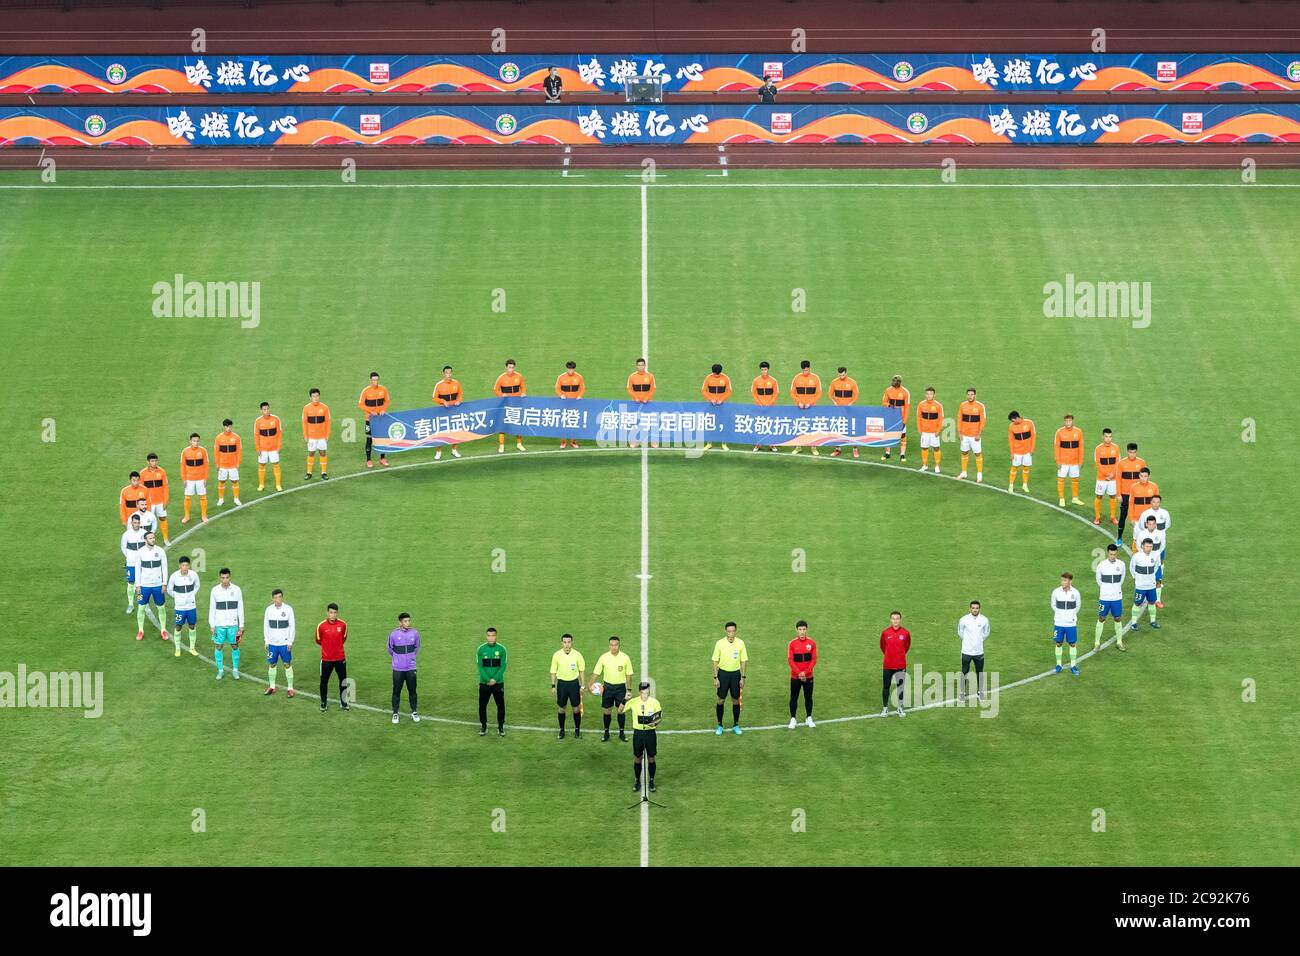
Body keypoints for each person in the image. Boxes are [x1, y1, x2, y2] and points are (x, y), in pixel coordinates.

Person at [592, 635, 634, 741]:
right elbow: (596, 672)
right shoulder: (603, 657)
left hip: (620, 688)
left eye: (616, 645)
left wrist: (628, 690)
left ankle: (621, 733)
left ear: (619, 645)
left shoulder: (625, 657)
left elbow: (629, 675)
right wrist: (589, 685)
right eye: (611, 645)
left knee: (621, 711)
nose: (613, 647)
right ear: (609, 645)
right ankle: (606, 732)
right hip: (607, 687)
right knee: (607, 711)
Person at [711, 621, 748, 735]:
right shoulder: (719, 643)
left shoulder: (740, 643)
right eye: (729, 631)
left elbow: (744, 661)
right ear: (725, 631)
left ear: (735, 631)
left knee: (735, 700)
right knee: (721, 700)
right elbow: (714, 660)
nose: (731, 633)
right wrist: (716, 677)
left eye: (733, 631)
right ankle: (720, 725)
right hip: (723, 675)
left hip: (735, 675)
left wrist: (743, 677)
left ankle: (736, 724)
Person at [209, 567, 244, 680]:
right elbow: (212, 608)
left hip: (233, 624)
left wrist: (241, 625)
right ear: (220, 578)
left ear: (230, 577)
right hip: (219, 624)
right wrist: (212, 625)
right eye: (223, 578)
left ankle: (235, 670)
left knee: (234, 645)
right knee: (219, 646)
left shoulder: (237, 590)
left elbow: (240, 608)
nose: (225, 580)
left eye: (227, 577)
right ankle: (220, 670)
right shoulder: (215, 590)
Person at [627, 682, 662, 793]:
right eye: (643, 693)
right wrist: (624, 700)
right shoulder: (633, 702)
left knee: (651, 758)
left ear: (649, 692)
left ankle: (651, 781)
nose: (645, 695)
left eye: (647, 693)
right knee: (638, 758)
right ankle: (637, 781)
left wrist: (655, 724)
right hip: (638, 734)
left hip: (650, 733)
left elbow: (659, 718)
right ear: (639, 692)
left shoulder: (655, 702)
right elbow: (619, 710)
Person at [549, 633, 586, 738]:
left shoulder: (577, 655)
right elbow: (553, 671)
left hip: (574, 684)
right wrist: (553, 685)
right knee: (561, 708)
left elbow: (582, 670)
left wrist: (582, 685)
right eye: (565, 642)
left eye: (569, 642)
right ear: (562, 643)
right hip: (562, 684)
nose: (567, 644)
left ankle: (577, 729)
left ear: (572, 643)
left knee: (576, 708)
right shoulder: (556, 655)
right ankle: (561, 730)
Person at [1137, 494, 1171, 606]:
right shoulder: (1145, 514)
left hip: (1157, 552)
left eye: (1157, 502)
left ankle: (1157, 600)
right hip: (1145, 555)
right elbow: (1138, 542)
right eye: (1153, 502)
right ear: (1150, 502)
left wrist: (1156, 553)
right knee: (1144, 575)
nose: (1156, 504)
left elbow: (1167, 527)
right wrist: (1145, 554)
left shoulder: (1164, 514)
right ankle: (1144, 596)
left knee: (1158, 575)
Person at [134, 530, 168, 643]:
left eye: (153, 538)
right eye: (150, 538)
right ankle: (140, 630)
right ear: (145, 540)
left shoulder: (161, 551)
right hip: (143, 586)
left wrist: (164, 583)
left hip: (158, 585)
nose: (153, 539)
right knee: (141, 607)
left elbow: (165, 568)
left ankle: (163, 630)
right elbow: (137, 569)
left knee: (161, 607)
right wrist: (137, 585)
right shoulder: (140, 552)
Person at [316, 603, 349, 711]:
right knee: (324, 682)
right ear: (327, 613)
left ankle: (344, 702)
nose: (333, 615)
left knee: (343, 681)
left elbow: (343, 638)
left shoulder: (343, 624)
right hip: (326, 660)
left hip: (340, 658)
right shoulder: (321, 626)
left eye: (335, 613)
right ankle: (323, 702)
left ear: (337, 613)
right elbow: (318, 640)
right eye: (331, 612)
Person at [166, 554, 201, 658]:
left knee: (192, 625)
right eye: (183, 565)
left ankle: (192, 648)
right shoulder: (174, 576)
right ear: (179, 566)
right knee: (178, 626)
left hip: (191, 606)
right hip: (180, 607)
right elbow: (169, 589)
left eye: (186, 565)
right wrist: (177, 597)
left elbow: (197, 585)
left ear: (189, 566)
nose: (185, 567)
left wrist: (191, 595)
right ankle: (177, 649)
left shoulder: (193, 575)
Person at [263, 589, 296, 697]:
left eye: (280, 597)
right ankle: (272, 686)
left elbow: (292, 626)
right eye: (276, 597)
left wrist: (290, 641)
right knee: (272, 664)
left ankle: (290, 688)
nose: (278, 599)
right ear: (272, 599)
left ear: (282, 598)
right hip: (272, 644)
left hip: (284, 643)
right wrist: (266, 641)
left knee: (287, 664)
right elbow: (266, 626)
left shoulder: (288, 609)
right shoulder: (268, 610)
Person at [388, 612, 420, 723]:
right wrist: (398, 659)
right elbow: (390, 649)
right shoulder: (393, 634)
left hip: (411, 668)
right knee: (396, 690)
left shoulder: (415, 633)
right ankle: (395, 713)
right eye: (405, 621)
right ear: (400, 622)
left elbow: (417, 647)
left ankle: (414, 711)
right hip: (398, 668)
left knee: (413, 690)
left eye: (409, 621)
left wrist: (410, 658)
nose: (408, 623)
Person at [1094, 543, 1127, 651]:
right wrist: (1106, 588)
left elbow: (1122, 578)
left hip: (1117, 597)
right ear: (1108, 553)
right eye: (1111, 554)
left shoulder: (1121, 564)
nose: (1113, 556)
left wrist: (1115, 587)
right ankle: (1097, 643)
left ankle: (1119, 642)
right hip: (1104, 597)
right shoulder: (1101, 565)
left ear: (1117, 553)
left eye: (1115, 554)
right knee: (1101, 618)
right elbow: (1098, 579)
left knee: (1117, 618)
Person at [477, 627, 508, 736]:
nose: (491, 638)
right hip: (484, 683)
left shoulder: (502, 649)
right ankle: (483, 726)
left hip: (498, 683)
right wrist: (487, 679)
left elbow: (503, 666)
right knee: (482, 706)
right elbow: (480, 667)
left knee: (500, 706)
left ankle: (501, 727)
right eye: (489, 636)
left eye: (493, 635)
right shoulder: (481, 649)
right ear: (486, 636)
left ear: (496, 636)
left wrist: (495, 679)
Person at [1128, 538, 1163, 633]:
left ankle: (1153, 621)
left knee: (1152, 602)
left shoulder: (1155, 556)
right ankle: (1134, 623)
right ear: (1143, 546)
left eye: (1151, 546)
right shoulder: (1136, 556)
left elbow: (1156, 567)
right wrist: (1136, 578)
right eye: (1147, 546)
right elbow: (1132, 568)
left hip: (1151, 585)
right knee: (1137, 603)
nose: (1149, 548)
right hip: (1140, 586)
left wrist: (1152, 579)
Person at [787, 619, 817, 728]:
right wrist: (799, 673)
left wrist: (805, 672)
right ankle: (793, 719)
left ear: (807, 630)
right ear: (796, 630)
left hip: (808, 676)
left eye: (804, 629)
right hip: (795, 677)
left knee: (808, 697)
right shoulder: (792, 644)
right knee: (794, 697)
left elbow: (814, 659)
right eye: (800, 629)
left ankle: (809, 718)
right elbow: (790, 660)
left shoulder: (812, 643)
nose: (802, 632)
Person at [1115, 442, 1147, 544]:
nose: (1132, 454)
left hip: (1137, 494)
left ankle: (1143, 538)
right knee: (1123, 515)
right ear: (1127, 452)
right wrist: (1118, 494)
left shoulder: (1142, 463)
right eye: (1130, 452)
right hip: (1125, 494)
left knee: (1141, 516)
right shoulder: (1121, 463)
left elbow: (1144, 477)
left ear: (1136, 452)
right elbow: (1118, 479)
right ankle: (1119, 538)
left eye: (1133, 452)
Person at [358, 371, 391, 469]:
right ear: (370, 380)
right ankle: (368, 460)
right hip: (370, 419)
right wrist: (370, 411)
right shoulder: (366, 391)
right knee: (369, 439)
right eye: (373, 380)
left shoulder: (383, 389)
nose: (375, 382)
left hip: (380, 419)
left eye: (376, 380)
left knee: (382, 438)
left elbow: (387, 401)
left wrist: (383, 410)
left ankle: (382, 458)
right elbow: (360, 404)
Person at [880, 611, 910, 717]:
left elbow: (906, 646)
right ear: (890, 620)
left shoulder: (905, 633)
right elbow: (882, 646)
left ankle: (900, 708)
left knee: (900, 687)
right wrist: (889, 655)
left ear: (900, 620)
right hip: (888, 665)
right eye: (893, 618)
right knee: (886, 686)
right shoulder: (885, 633)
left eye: (897, 618)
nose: (895, 620)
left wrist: (899, 655)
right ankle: (885, 709)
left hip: (901, 665)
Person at [956, 603, 988, 701]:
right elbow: (960, 632)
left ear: (979, 609)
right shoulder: (964, 620)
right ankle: (962, 693)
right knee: (964, 671)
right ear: (970, 608)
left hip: (979, 652)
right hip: (966, 651)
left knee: (980, 672)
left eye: (977, 608)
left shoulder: (984, 620)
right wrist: (968, 642)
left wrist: (978, 641)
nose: (975, 610)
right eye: (973, 608)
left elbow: (986, 633)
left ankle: (980, 692)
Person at [493, 360, 527, 453]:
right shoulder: (501, 378)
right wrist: (501, 395)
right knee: (502, 424)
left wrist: (523, 393)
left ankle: (519, 444)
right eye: (509, 367)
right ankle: (501, 445)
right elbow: (495, 390)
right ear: (506, 367)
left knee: (517, 423)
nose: (511, 369)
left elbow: (523, 387)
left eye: (512, 367)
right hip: (506, 404)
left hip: (517, 403)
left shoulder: (519, 376)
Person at [1051, 573, 1081, 676]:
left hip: (1071, 623)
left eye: (1065, 580)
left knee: (1072, 643)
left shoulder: (1076, 593)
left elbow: (1077, 606)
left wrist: (1070, 615)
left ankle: (1073, 666)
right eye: (1062, 580)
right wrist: (1060, 614)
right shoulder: (1056, 592)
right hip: (1059, 623)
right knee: (1058, 643)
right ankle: (1058, 665)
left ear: (1070, 582)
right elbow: (1053, 605)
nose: (1062, 582)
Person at [789, 360, 822, 456]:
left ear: (809, 368)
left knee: (812, 426)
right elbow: (792, 392)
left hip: (812, 407)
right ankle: (798, 446)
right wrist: (798, 402)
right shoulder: (796, 378)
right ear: (802, 369)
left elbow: (819, 393)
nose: (805, 372)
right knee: (799, 426)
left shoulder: (815, 378)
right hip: (799, 407)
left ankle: (813, 447)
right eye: (804, 370)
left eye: (807, 370)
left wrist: (810, 403)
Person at [433, 365, 464, 460]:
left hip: (454, 410)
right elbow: (434, 398)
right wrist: (443, 401)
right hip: (443, 411)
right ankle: (438, 451)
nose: (449, 375)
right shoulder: (439, 385)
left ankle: (454, 450)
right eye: (447, 373)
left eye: (450, 373)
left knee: (455, 430)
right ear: (443, 374)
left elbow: (460, 394)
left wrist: (459, 400)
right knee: (441, 432)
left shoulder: (456, 383)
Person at [1054, 413, 1085, 507]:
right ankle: (1061, 499)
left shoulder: (1078, 432)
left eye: (1069, 421)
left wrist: (1080, 461)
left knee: (1075, 479)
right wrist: (1057, 461)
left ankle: (1075, 498)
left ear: (1072, 421)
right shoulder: (1059, 432)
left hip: (1075, 461)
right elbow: (1056, 447)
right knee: (1061, 479)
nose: (1068, 423)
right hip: (1063, 462)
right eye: (1066, 421)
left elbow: (1081, 447)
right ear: (1064, 421)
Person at [956, 387, 986, 482]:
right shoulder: (962, 405)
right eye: (968, 394)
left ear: (975, 395)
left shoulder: (980, 406)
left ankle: (979, 474)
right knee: (964, 452)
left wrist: (979, 433)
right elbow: (959, 419)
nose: (970, 396)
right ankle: (964, 472)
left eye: (972, 394)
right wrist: (959, 432)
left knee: (977, 454)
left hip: (974, 436)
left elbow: (983, 421)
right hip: (964, 435)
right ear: (966, 395)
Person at [140, 453, 171, 544]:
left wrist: (165, 501)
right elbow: (142, 490)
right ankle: (146, 540)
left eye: (155, 461)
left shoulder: (162, 472)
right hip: (149, 503)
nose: (154, 463)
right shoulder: (142, 473)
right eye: (152, 461)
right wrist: (143, 504)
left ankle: (165, 539)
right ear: (148, 462)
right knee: (147, 522)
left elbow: (165, 487)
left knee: (163, 518)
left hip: (160, 502)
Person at [626, 358, 657, 449]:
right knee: (635, 421)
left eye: (642, 365)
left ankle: (653, 441)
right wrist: (635, 398)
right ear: (636, 366)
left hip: (648, 403)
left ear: (645, 365)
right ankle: (633, 441)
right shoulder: (632, 376)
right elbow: (629, 388)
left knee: (651, 421)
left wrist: (646, 398)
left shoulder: (650, 376)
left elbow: (653, 388)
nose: (641, 367)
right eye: (639, 365)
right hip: (635, 403)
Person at [828, 367, 859, 458]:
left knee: (851, 429)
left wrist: (851, 403)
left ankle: (855, 449)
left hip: (849, 409)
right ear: (838, 374)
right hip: (838, 409)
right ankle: (838, 449)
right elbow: (830, 394)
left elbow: (856, 395)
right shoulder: (834, 382)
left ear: (846, 373)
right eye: (840, 375)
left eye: (843, 375)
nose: (841, 376)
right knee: (837, 429)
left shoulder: (852, 382)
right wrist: (834, 402)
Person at [180, 433, 210, 524]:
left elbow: (206, 465)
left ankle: (204, 515)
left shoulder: (203, 451)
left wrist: (205, 478)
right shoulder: (185, 451)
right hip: (189, 479)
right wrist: (184, 479)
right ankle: (187, 516)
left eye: (197, 441)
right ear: (190, 441)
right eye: (194, 441)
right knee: (187, 497)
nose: (196, 443)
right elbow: (182, 466)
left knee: (203, 497)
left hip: (200, 478)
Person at [1126, 468, 1160, 550]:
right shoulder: (1134, 487)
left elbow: (1157, 503)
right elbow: (1131, 503)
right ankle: (1135, 556)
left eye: (1145, 476)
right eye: (1141, 476)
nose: (1143, 478)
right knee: (1136, 539)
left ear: (1148, 477)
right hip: (1138, 519)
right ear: (1139, 476)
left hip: (1150, 520)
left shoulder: (1154, 487)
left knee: (1151, 539)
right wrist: (1131, 518)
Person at [253, 401, 284, 492]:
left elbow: (279, 433)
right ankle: (261, 484)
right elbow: (256, 435)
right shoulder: (258, 421)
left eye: (267, 409)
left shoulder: (276, 419)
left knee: (276, 464)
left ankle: (278, 485)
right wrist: (258, 448)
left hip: (274, 448)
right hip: (263, 449)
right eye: (264, 409)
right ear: (261, 411)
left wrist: (279, 446)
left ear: (269, 409)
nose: (266, 411)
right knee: (262, 465)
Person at [302, 388, 331, 481]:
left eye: (317, 396)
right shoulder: (306, 408)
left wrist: (327, 435)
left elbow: (328, 422)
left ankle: (324, 472)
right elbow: (304, 423)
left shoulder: (325, 408)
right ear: (310, 397)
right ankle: (309, 472)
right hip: (311, 437)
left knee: (322, 453)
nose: (315, 398)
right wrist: (306, 436)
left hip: (322, 436)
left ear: (319, 396)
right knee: (311, 453)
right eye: (313, 396)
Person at [701, 363, 732, 451]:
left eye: (717, 374)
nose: (716, 375)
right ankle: (709, 443)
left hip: (722, 405)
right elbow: (703, 390)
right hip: (711, 405)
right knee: (710, 424)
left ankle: (724, 444)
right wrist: (711, 399)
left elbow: (729, 391)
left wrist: (722, 399)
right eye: (715, 374)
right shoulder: (708, 378)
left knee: (723, 424)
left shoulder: (725, 378)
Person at [1093, 428, 1120, 526]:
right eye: (1106, 436)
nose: (1108, 439)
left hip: (1113, 478)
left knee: (1112, 496)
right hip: (1101, 478)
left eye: (1110, 436)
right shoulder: (1098, 449)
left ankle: (1113, 517)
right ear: (1103, 437)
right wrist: (1106, 475)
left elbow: (1117, 463)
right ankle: (1097, 517)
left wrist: (1112, 474)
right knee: (1099, 496)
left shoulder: (1116, 448)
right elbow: (1098, 463)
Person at [750, 361, 779, 452]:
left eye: (765, 369)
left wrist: (770, 403)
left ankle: (772, 444)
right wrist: (759, 403)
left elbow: (776, 393)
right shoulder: (756, 380)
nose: (764, 371)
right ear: (760, 370)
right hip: (759, 407)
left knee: (770, 425)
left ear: (768, 370)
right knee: (759, 425)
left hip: (770, 407)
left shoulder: (773, 381)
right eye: (762, 370)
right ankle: (758, 444)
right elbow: (753, 393)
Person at [555, 361, 585, 449]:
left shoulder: (579, 377)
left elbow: (582, 389)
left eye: (572, 369)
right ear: (567, 368)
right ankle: (563, 442)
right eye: (569, 369)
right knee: (564, 422)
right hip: (564, 403)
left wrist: (579, 396)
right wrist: (561, 395)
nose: (571, 371)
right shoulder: (561, 377)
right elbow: (557, 389)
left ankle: (573, 442)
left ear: (574, 369)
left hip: (575, 403)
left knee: (574, 421)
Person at [120, 513, 145, 615]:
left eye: (138, 523)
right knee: (131, 583)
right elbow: (123, 547)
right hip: (131, 563)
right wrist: (129, 557)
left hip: (142, 563)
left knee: (140, 584)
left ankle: (140, 602)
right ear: (132, 523)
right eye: (135, 523)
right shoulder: (126, 535)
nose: (137, 524)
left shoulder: (144, 533)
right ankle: (130, 604)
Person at [881, 375, 910, 463]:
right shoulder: (888, 390)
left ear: (899, 382)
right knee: (887, 434)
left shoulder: (905, 392)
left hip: (900, 418)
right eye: (892, 381)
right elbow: (884, 402)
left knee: (902, 436)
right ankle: (887, 452)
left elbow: (907, 408)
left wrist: (904, 421)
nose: (893, 383)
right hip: (890, 416)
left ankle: (902, 454)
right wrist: (889, 405)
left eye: (895, 382)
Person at [214, 420, 243, 507]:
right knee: (222, 481)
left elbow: (239, 451)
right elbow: (216, 452)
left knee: (234, 481)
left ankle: (236, 498)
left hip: (233, 465)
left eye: (230, 426)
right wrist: (217, 464)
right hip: (222, 465)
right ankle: (221, 499)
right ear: (224, 427)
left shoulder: (236, 437)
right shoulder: (218, 438)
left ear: (231, 426)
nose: (228, 428)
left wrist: (238, 463)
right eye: (226, 426)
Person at [1007, 410, 1036, 493]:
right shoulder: (1011, 427)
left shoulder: (1029, 423)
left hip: (1027, 451)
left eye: (1013, 421)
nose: (1013, 422)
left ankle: (1025, 485)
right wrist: (1012, 453)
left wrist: (1032, 448)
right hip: (1017, 451)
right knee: (1014, 468)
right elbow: (1011, 440)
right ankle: (1011, 486)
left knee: (1026, 467)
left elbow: (1033, 436)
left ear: (1017, 418)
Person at [916, 386, 944, 473]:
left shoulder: (938, 406)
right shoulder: (921, 404)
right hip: (924, 431)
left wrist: (938, 430)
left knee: (936, 448)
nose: (929, 395)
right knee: (924, 448)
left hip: (934, 432)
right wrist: (919, 429)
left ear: (934, 395)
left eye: (931, 394)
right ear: (925, 394)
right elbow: (918, 417)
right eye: (927, 394)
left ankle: (937, 466)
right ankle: (925, 465)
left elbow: (941, 419)